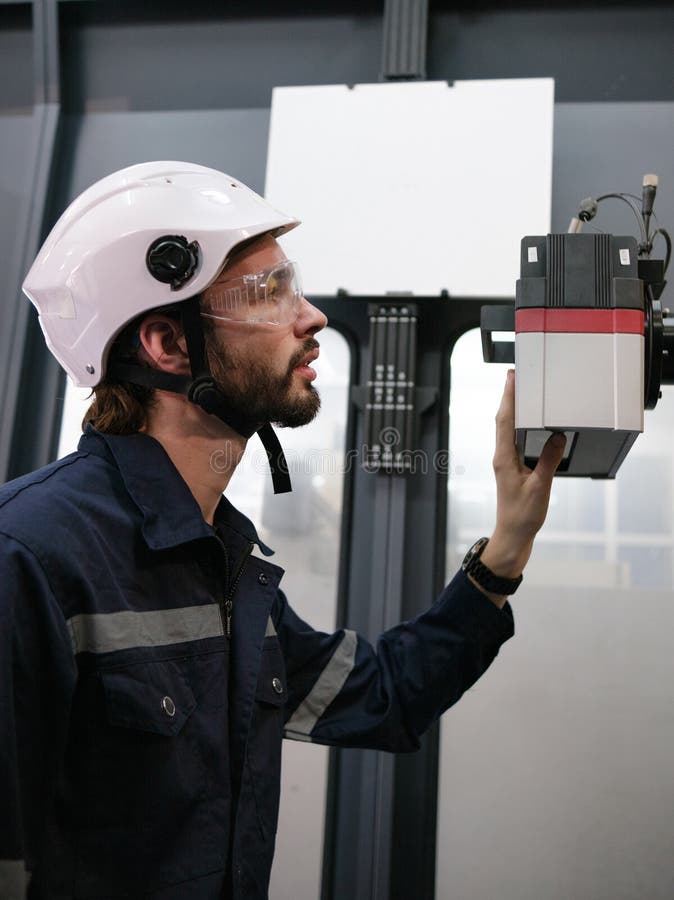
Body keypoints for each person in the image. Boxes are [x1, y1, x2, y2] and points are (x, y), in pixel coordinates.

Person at [0, 161, 566, 900]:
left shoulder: (224, 564)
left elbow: (383, 696)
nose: (312, 317)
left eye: (290, 284)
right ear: (168, 347)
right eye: (268, 293)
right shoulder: (32, 556)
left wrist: (507, 547)